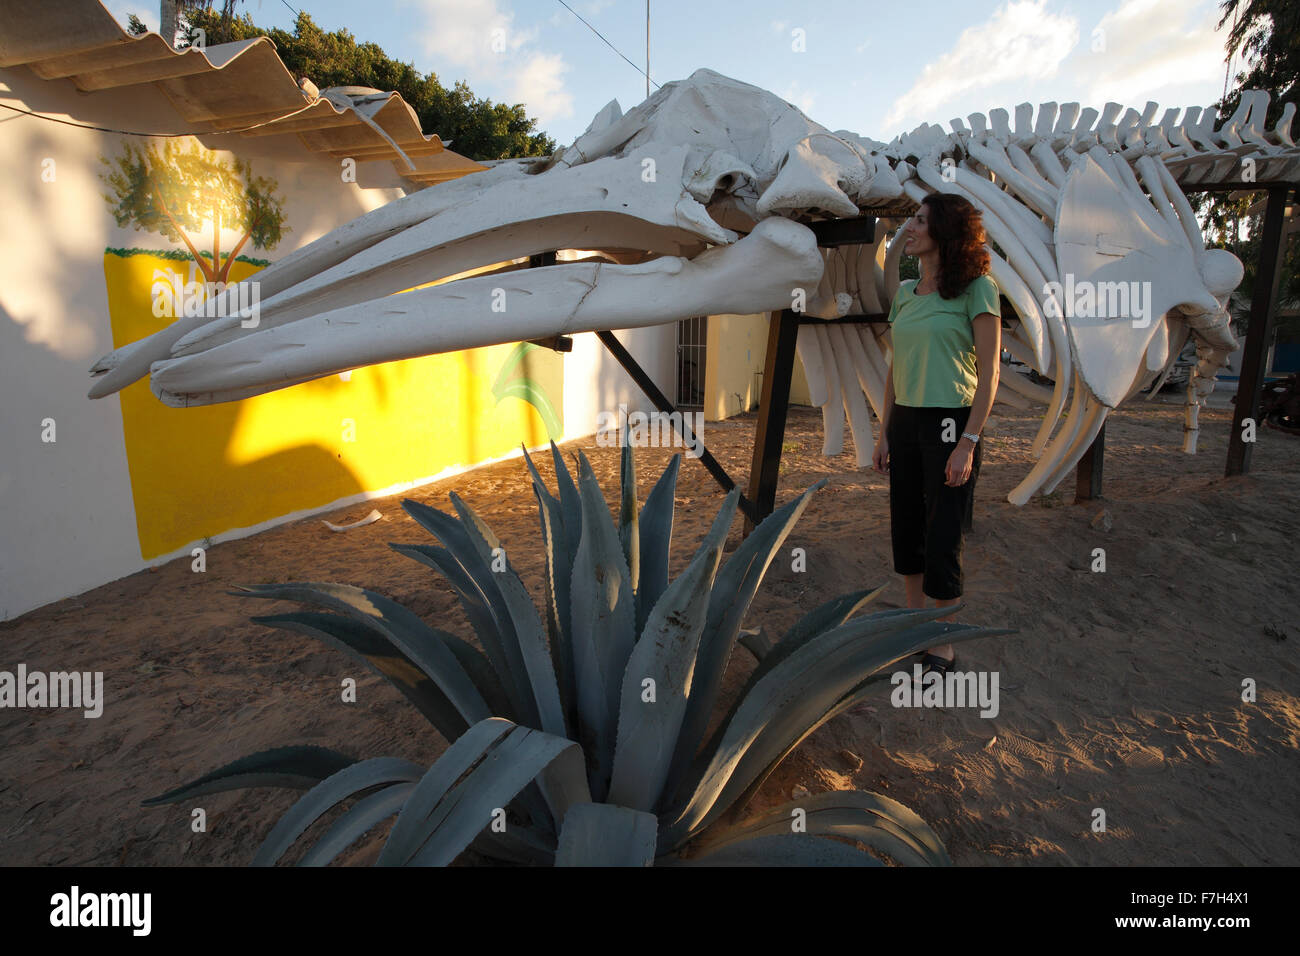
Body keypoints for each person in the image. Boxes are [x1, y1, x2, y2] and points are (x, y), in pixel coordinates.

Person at [871, 193, 1001, 677]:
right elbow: (894, 369)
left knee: (942, 533)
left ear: (944, 231)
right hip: (905, 421)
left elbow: (989, 374)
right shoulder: (905, 293)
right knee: (906, 527)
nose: (911, 228)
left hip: (952, 423)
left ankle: (941, 644)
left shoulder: (977, 290)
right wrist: (885, 433)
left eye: (920, 221)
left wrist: (967, 442)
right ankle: (914, 627)